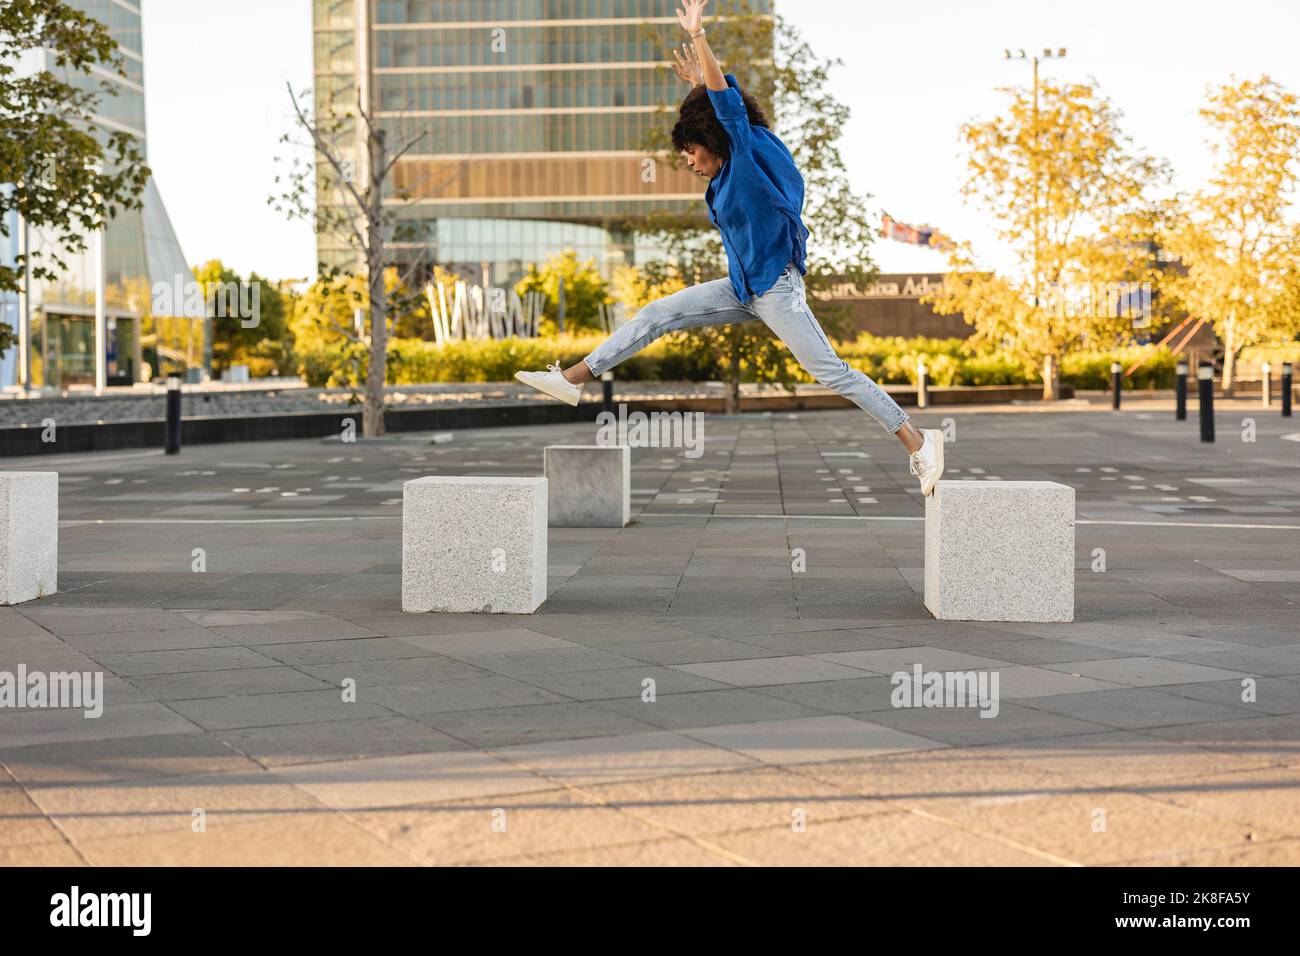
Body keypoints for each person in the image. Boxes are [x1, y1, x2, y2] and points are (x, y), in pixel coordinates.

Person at [516, 0, 945, 495]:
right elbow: (715, 107)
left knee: (830, 372)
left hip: (777, 290)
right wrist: (696, 86)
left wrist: (699, 38)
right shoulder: (726, 165)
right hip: (743, 289)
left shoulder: (746, 150)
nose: (692, 164)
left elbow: (726, 108)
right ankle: (572, 378)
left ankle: (918, 443)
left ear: (714, 140)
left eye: (694, 153)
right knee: (657, 313)